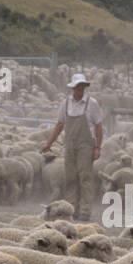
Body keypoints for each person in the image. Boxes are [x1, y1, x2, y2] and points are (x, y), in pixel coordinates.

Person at [40, 73, 104, 221]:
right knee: (70, 177)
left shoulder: (91, 103)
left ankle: (85, 211)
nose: (80, 89)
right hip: (69, 145)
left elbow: (98, 126)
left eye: (82, 87)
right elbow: (60, 124)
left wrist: (98, 147)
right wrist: (49, 143)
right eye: (77, 87)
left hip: (86, 145)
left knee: (85, 177)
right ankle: (71, 209)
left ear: (85, 87)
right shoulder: (66, 104)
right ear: (73, 88)